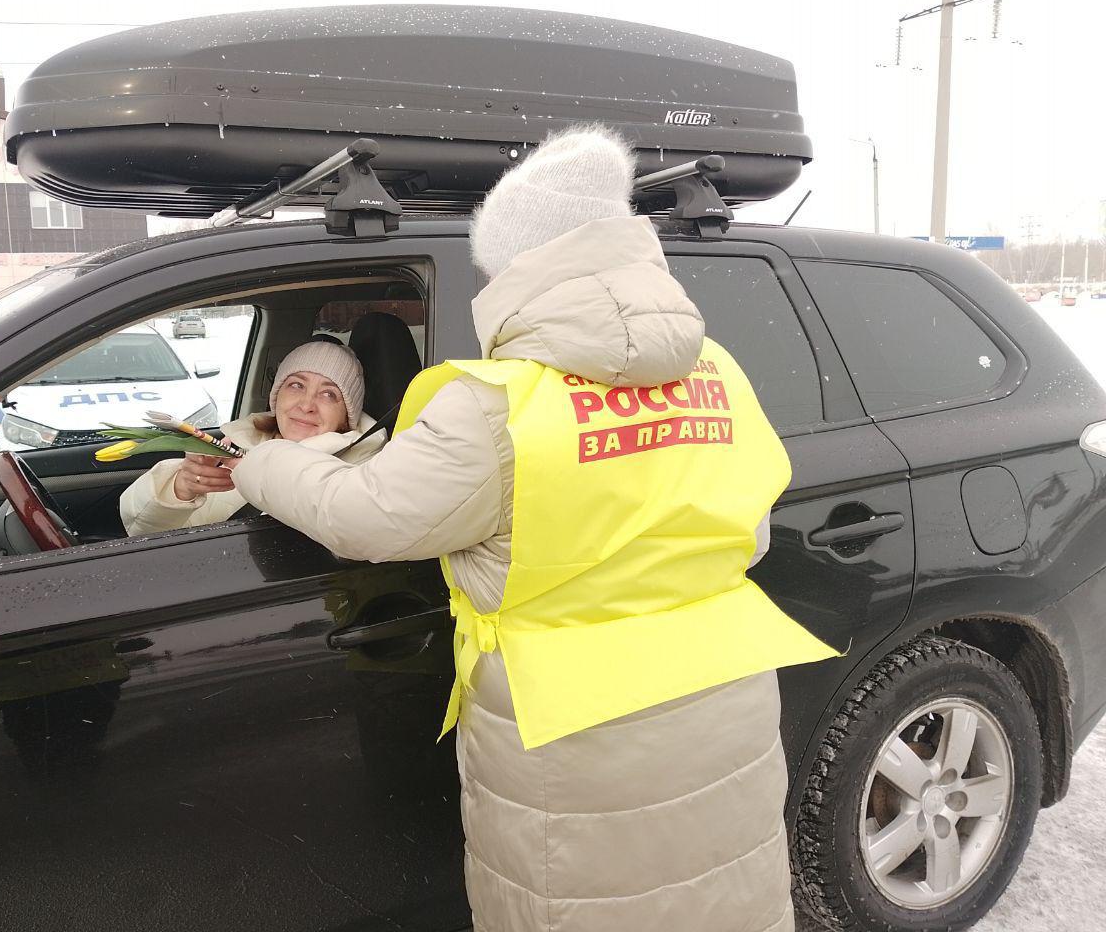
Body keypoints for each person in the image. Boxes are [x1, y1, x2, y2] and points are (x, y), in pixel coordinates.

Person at [230, 126, 840, 932]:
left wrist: (260, 459)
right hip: (720, 707)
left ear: (521, 269)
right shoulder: (717, 372)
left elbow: (364, 515)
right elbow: (747, 532)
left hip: (574, 739)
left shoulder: (494, 407)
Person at [119, 340, 384, 536]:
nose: (306, 405)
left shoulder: (362, 475)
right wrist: (181, 490)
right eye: (296, 385)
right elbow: (141, 532)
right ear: (277, 395)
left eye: (329, 394)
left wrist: (267, 478)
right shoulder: (237, 445)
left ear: (346, 416)